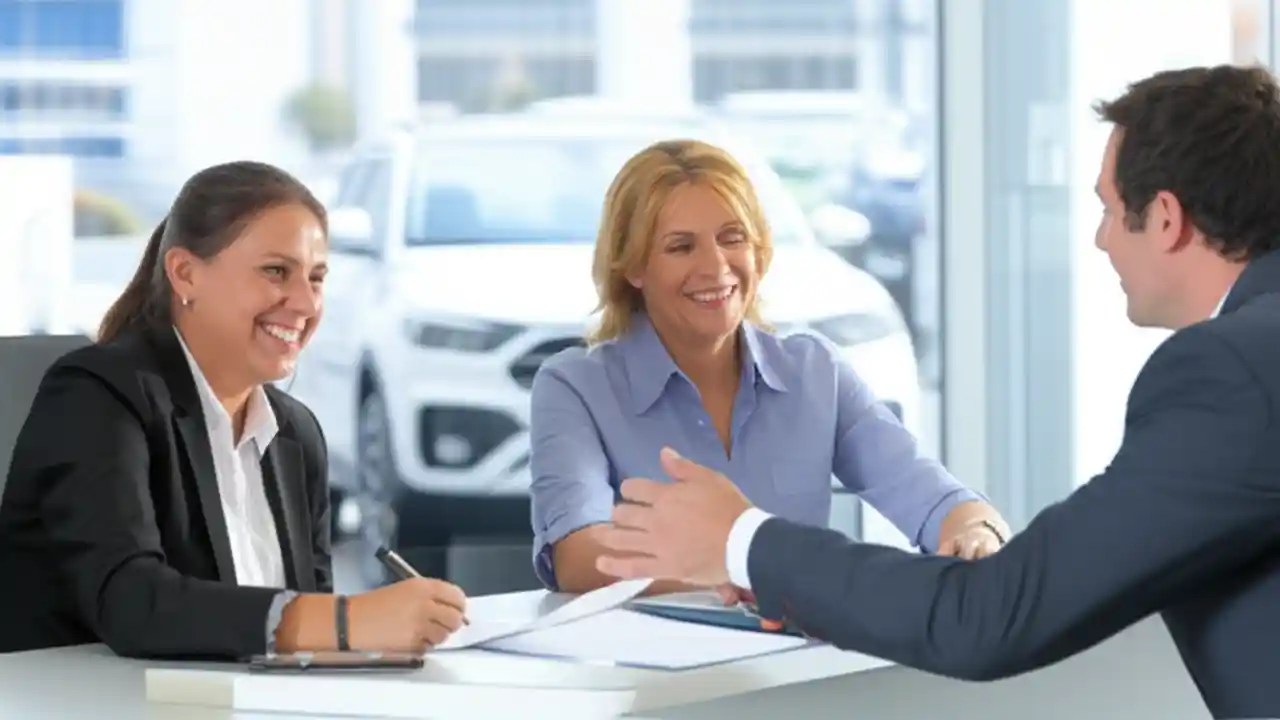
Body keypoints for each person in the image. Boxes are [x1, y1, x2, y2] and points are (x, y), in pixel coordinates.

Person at [594, 64, 1280, 720]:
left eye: (1106, 209)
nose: (1100, 240)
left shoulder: (1229, 374)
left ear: (1166, 218)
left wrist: (742, 539)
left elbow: (991, 616)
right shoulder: (581, 381)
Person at [0, 161, 466, 659]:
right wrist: (350, 620)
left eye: (317, 277)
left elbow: (306, 643)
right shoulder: (96, 395)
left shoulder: (295, 435)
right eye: (275, 271)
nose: (306, 303)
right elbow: (133, 603)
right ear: (185, 273)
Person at [529, 138, 1010, 597]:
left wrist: (977, 532)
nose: (716, 266)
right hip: (654, 678)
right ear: (633, 268)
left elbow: (932, 496)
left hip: (794, 675)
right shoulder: (574, 387)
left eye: (732, 238)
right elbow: (577, 555)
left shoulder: (815, 372)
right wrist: (755, 569)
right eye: (681, 246)